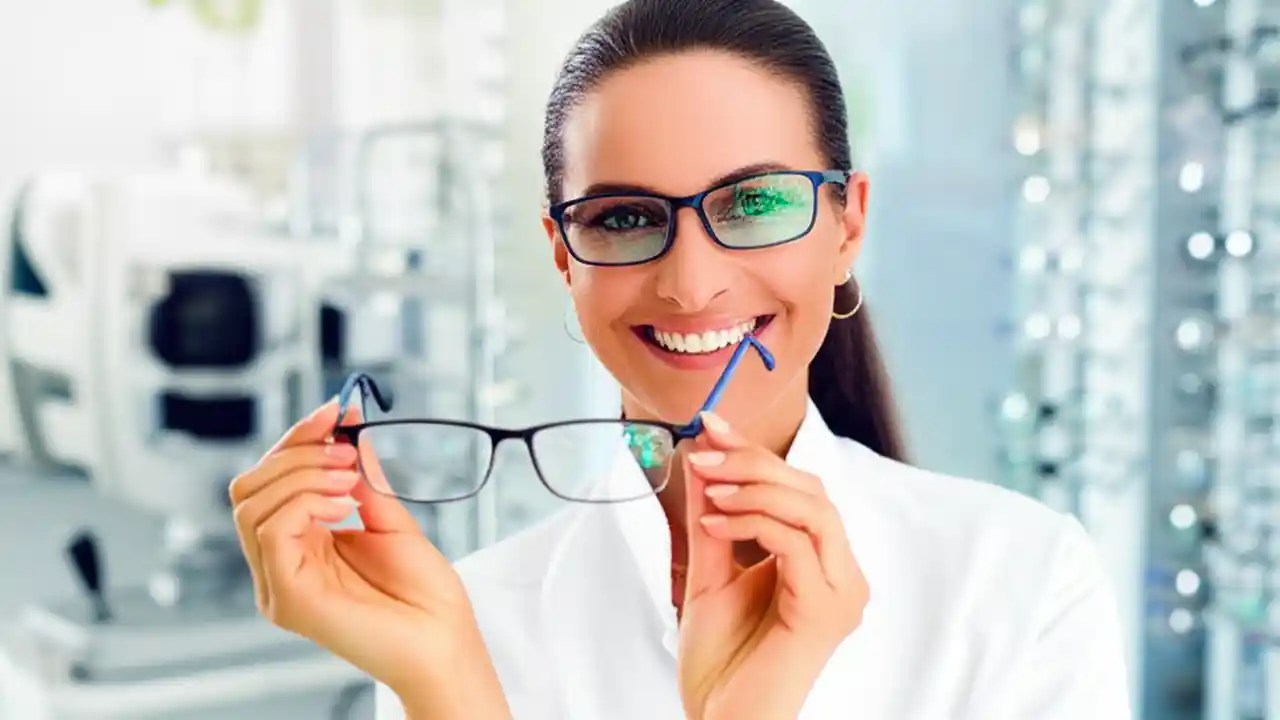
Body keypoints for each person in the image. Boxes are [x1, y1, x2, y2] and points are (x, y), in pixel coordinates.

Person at [228, 1, 1132, 718]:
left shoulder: (1019, 580)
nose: (691, 284)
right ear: (562, 255)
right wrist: (446, 686)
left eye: (754, 204)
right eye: (622, 218)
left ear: (848, 223)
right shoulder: (457, 628)